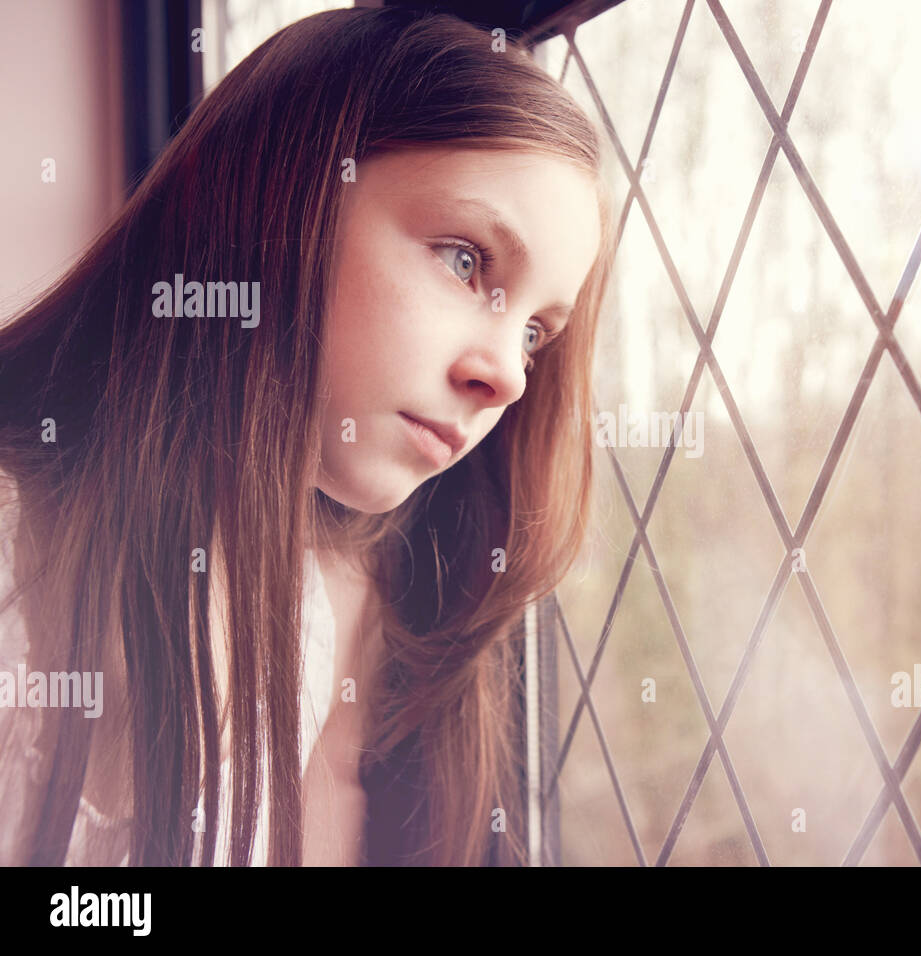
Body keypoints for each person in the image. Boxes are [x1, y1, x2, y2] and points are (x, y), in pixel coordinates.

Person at [0, 6, 614, 866]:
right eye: (466, 259)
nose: (510, 377)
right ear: (281, 192)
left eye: (537, 335)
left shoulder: (296, 617)